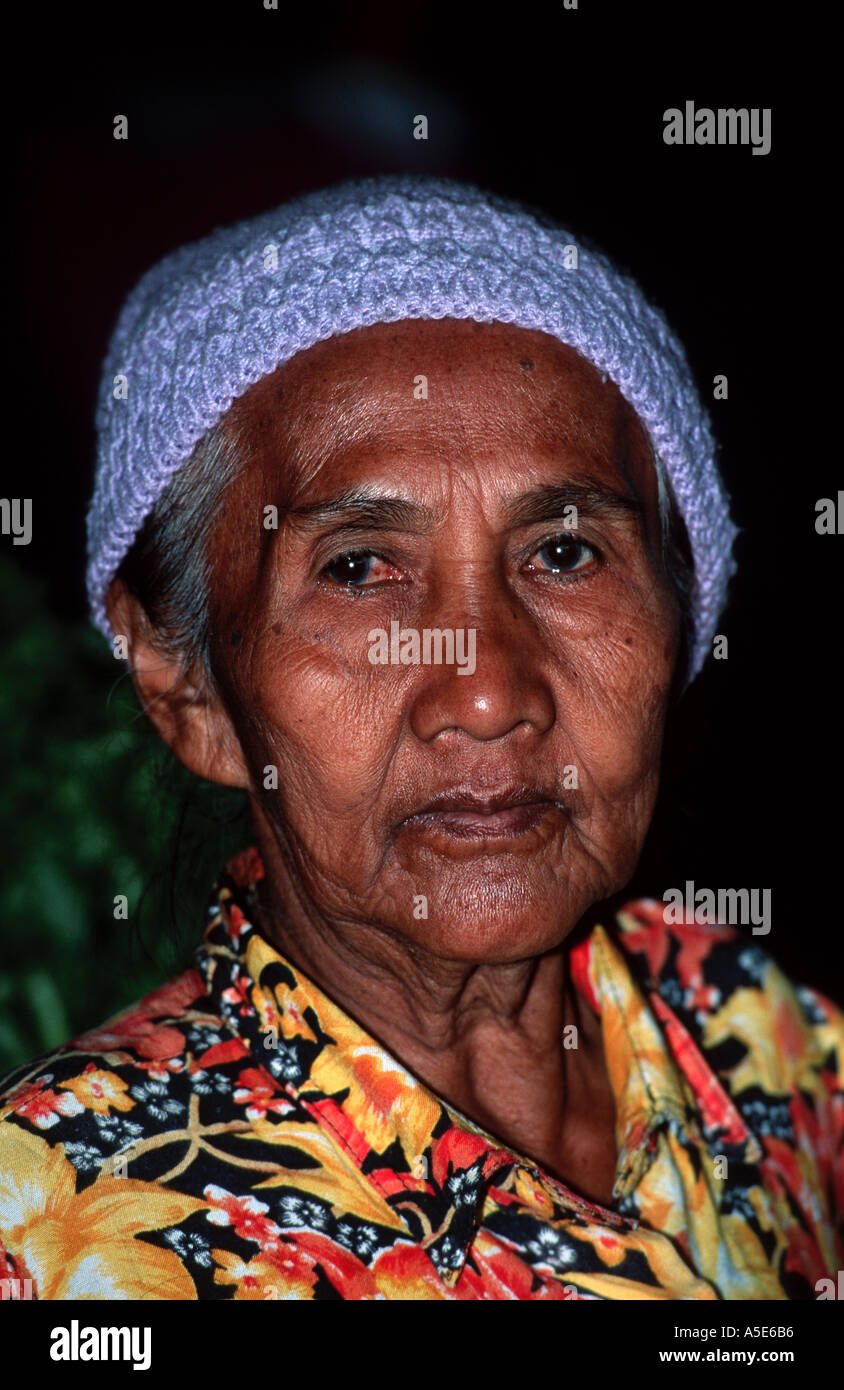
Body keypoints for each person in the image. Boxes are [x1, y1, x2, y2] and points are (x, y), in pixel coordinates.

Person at [1, 175, 840, 1301]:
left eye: (565, 551)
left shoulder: (756, 1026)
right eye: (358, 570)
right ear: (185, 684)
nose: (488, 693)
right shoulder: (57, 1226)